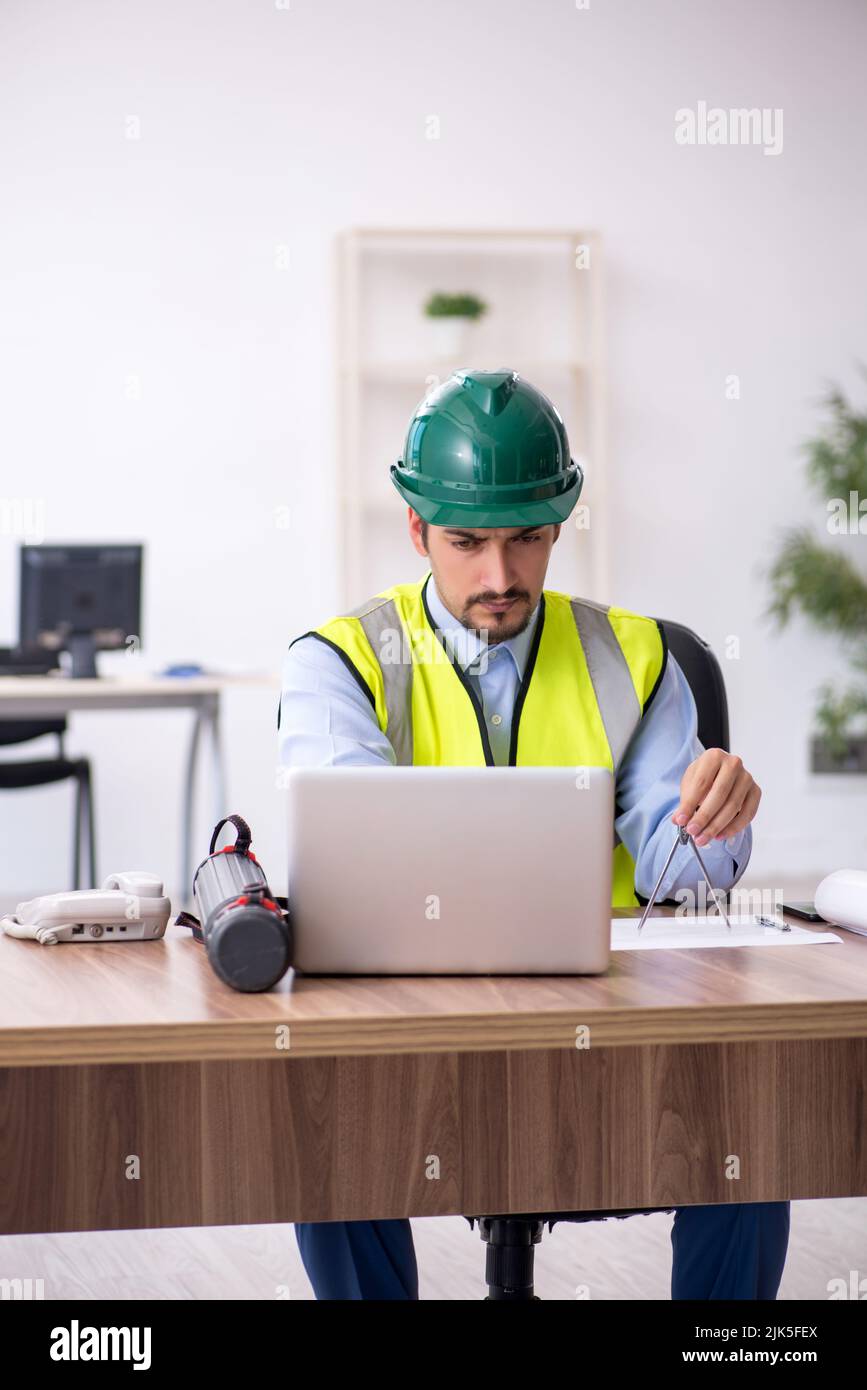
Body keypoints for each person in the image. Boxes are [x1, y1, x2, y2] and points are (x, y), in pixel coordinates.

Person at [277, 368, 790, 1300]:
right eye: (467, 543)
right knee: (326, 1124)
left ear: (558, 528)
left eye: (527, 541)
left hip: (613, 1031)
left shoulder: (632, 654)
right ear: (416, 530)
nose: (499, 577)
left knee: (752, 1131)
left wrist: (720, 812)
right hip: (411, 1043)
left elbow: (682, 871)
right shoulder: (341, 662)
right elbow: (357, 873)